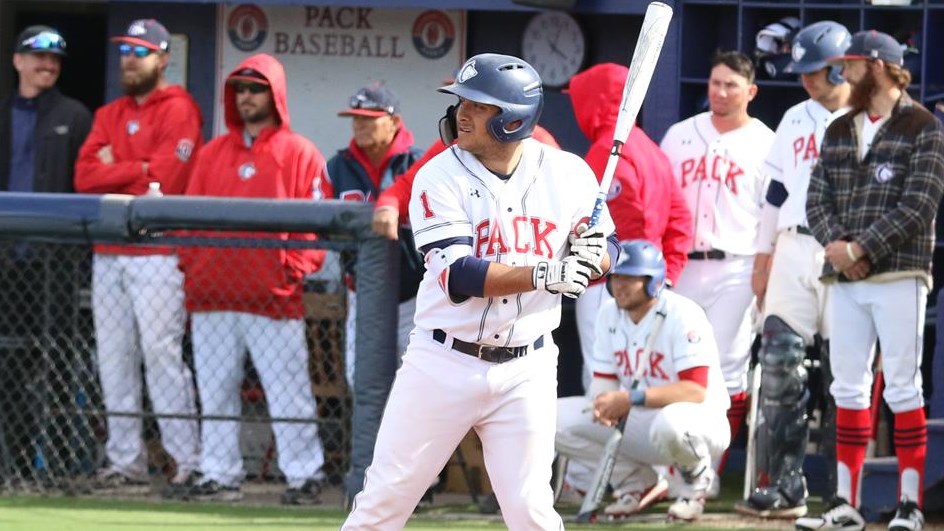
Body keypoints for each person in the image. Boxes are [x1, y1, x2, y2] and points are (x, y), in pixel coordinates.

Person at [340, 53, 617, 530]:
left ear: (513, 119)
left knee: (531, 509)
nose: (461, 113)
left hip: (527, 365)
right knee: (383, 502)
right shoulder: (437, 175)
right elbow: (459, 276)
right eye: (461, 101)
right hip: (444, 361)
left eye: (479, 104)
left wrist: (595, 256)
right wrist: (546, 273)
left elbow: (609, 249)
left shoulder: (569, 173)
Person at [796, 30, 944, 531]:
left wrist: (860, 248)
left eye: (851, 64)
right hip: (846, 278)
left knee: (904, 387)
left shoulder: (924, 125)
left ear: (877, 66)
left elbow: (920, 205)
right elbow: (816, 198)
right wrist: (840, 246)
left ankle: (910, 505)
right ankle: (845, 504)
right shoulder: (839, 127)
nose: (843, 73)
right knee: (849, 388)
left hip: (900, 274)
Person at [174, 53, 328, 505]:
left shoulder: (300, 151)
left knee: (288, 393)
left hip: (273, 298)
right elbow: (185, 222)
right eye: (239, 89)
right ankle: (218, 472)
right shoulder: (211, 152)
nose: (245, 97)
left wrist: (291, 270)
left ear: (275, 95)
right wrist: (194, 267)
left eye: (255, 88)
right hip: (213, 296)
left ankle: (304, 475)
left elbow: (317, 228)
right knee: (216, 392)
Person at [74, 18, 200, 490]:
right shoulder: (108, 113)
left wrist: (121, 167)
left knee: (160, 353)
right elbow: (84, 176)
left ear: (162, 59)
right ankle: (125, 461)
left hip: (157, 249)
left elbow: (170, 179)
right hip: (108, 251)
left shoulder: (179, 108)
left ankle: (186, 458)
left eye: (140, 51)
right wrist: (140, 169)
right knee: (113, 357)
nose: (129, 58)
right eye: (125, 50)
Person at [735, 21, 852, 519]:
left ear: (841, 66)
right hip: (793, 247)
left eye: (815, 71)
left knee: (845, 378)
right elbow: (775, 195)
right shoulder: (793, 118)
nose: (805, 80)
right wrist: (763, 258)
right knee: (780, 366)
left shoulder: (873, 117)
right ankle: (786, 485)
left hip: (848, 254)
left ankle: (844, 492)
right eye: (801, 71)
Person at [659, 51, 775, 486]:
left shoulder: (766, 141)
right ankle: (676, 466)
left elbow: (772, 216)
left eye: (730, 85)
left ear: (751, 91)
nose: (721, 92)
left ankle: (709, 471)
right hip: (685, 264)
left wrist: (766, 271)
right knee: (676, 365)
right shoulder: (679, 134)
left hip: (737, 266)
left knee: (726, 368)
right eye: (715, 83)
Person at [556, 240, 730, 521]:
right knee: (554, 420)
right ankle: (635, 484)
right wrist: (603, 405)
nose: (620, 285)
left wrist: (630, 399)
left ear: (653, 281)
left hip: (699, 421)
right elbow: (604, 383)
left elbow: (695, 390)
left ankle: (696, 484)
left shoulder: (683, 313)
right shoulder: (608, 314)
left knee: (671, 423)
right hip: (642, 419)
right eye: (617, 277)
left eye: (630, 278)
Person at [0, 24, 92, 482]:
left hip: (53, 265)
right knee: (9, 368)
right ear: (17, 61)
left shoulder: (74, 115)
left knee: (56, 363)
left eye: (55, 60)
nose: (47, 65)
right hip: (5, 265)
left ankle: (54, 467)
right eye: (37, 57)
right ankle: (10, 463)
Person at [566, 62, 693, 393]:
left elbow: (625, 217)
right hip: (647, 285)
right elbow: (680, 221)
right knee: (636, 379)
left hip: (609, 284)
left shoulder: (608, 150)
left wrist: (624, 275)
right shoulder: (650, 148)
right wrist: (663, 278)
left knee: (603, 384)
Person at [324, 82, 424, 386]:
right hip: (362, 294)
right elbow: (323, 230)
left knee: (415, 384)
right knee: (361, 380)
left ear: (393, 122)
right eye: (355, 118)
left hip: (413, 298)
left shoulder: (418, 165)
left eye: (368, 118)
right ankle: (373, 438)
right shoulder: (337, 168)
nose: (359, 125)